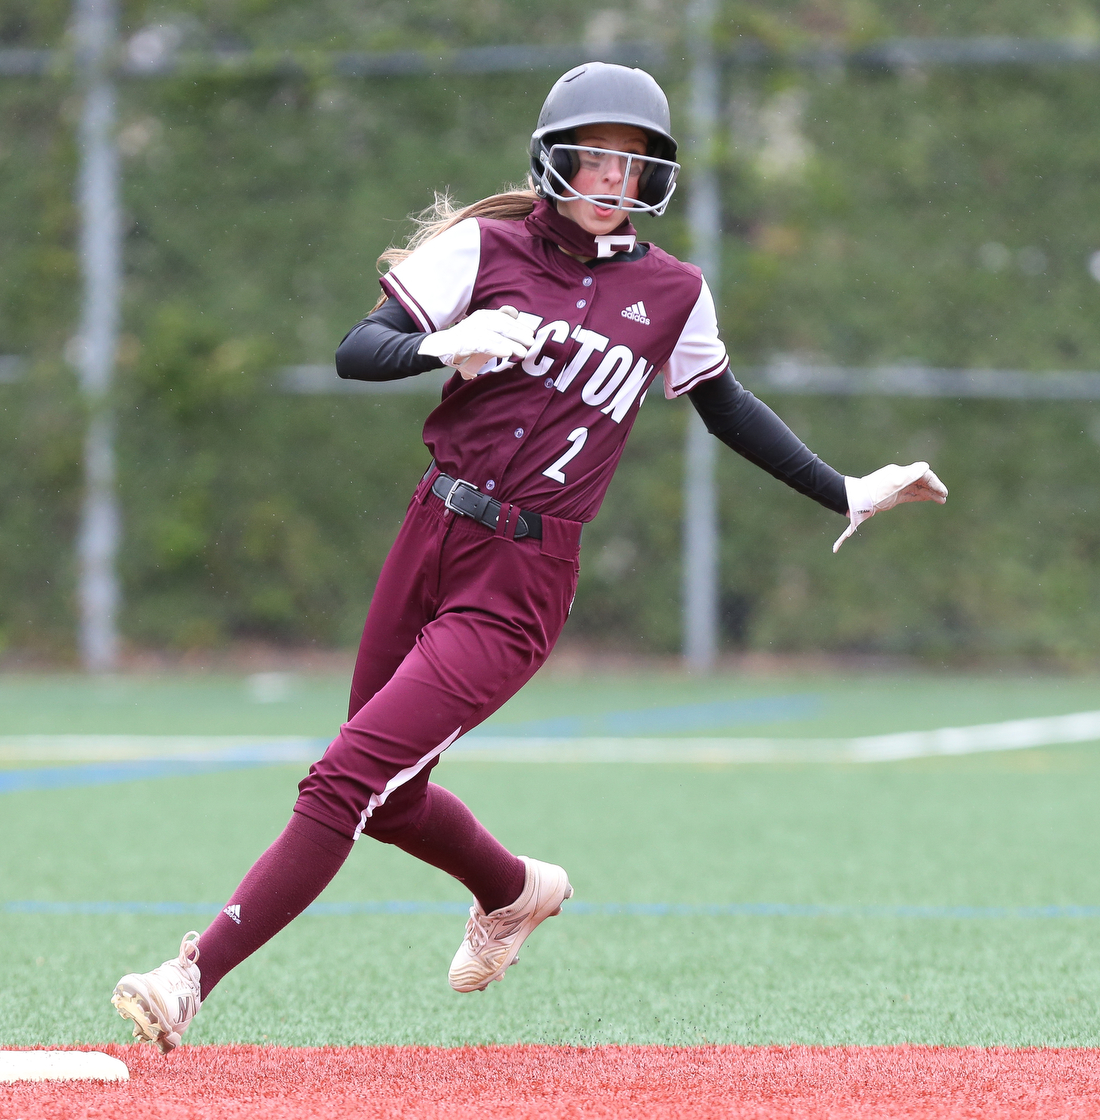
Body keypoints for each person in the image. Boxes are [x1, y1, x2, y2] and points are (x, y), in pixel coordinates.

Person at [112, 61, 947, 1052]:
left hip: (519, 580)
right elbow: (356, 350)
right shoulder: (484, 247)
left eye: (632, 162)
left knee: (342, 780)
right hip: (429, 532)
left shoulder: (672, 291)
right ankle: (513, 890)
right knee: (387, 799)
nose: (612, 178)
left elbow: (726, 406)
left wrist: (844, 489)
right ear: (553, 161)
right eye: (595, 157)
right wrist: (441, 345)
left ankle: (190, 976)